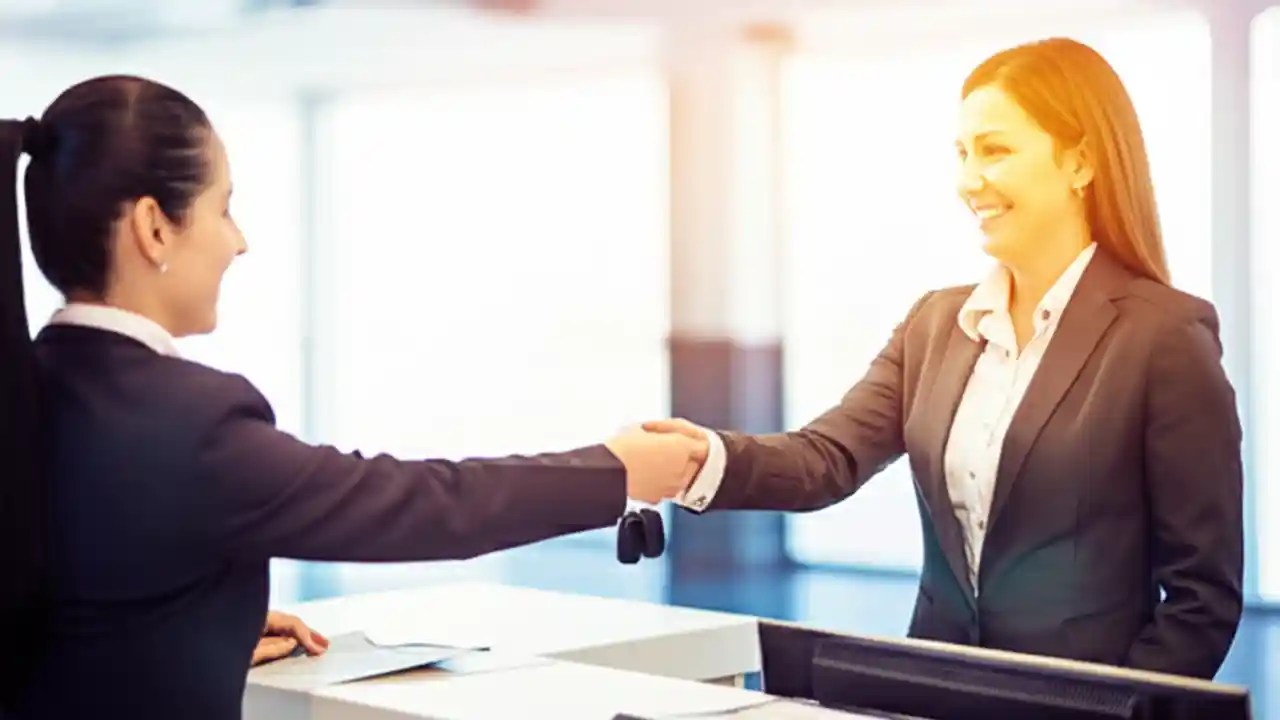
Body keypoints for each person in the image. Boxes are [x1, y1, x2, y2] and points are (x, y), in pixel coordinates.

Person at [0, 76, 703, 719]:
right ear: (155, 227)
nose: (238, 243)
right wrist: (618, 470)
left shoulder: (30, 390)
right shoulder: (192, 425)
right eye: (225, 208)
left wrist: (197, 627)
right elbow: (425, 504)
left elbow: (78, 598)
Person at [646, 37, 1243, 680]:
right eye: (962, 153)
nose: (969, 180)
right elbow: (826, 459)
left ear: (1080, 161)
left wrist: (1118, 707)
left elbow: (1201, 597)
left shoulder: (1164, 335)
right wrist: (701, 459)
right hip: (938, 686)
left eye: (996, 150)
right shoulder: (937, 324)